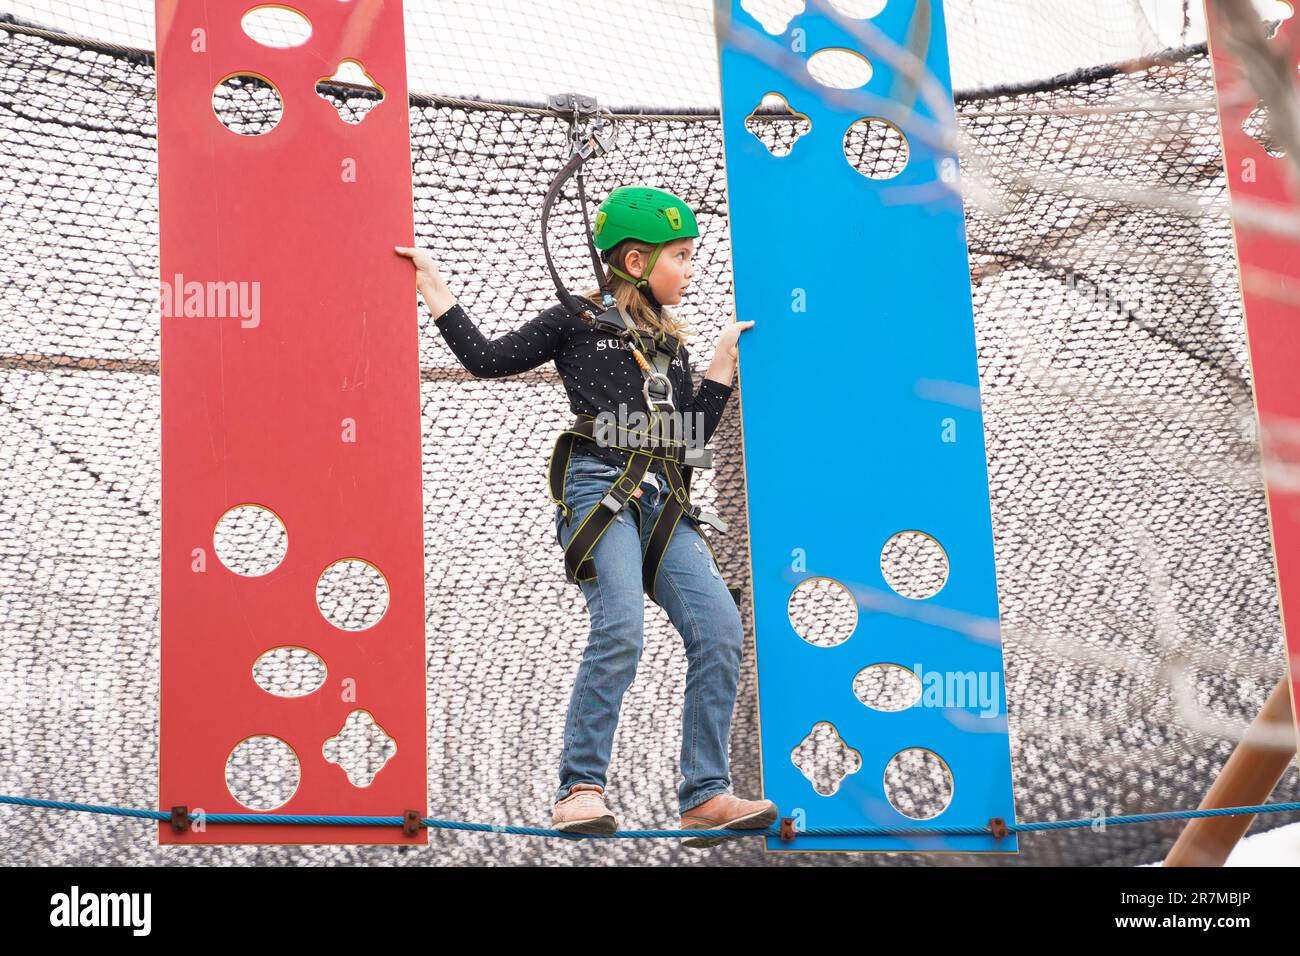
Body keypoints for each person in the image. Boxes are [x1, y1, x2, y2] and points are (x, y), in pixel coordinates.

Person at [396, 185, 774, 848]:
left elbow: (687, 440)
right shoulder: (575, 320)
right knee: (621, 626)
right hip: (600, 491)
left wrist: (715, 369)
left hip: (663, 500)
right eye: (681, 256)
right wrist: (433, 285)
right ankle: (581, 788)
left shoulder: (669, 345)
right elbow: (487, 360)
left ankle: (705, 794)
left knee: (720, 629)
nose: (691, 269)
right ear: (635, 261)